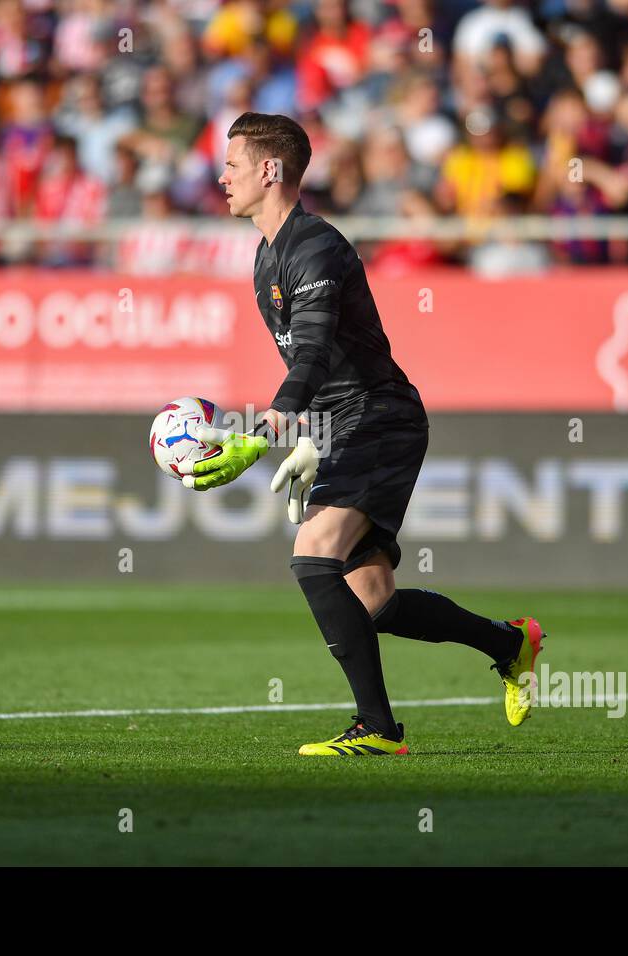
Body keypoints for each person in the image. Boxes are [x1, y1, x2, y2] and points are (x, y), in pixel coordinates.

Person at [184, 111, 544, 756]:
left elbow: (314, 351)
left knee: (312, 554)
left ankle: (378, 728)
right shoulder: (268, 255)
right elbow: (317, 363)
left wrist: (281, 416)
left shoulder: (317, 245)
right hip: (343, 420)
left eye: (232, 165)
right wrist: (310, 435)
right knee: (374, 602)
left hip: (380, 415)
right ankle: (510, 642)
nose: (222, 177)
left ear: (270, 171)